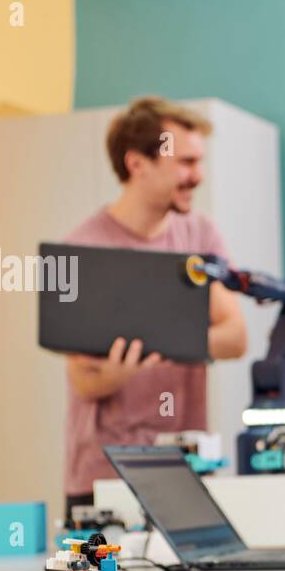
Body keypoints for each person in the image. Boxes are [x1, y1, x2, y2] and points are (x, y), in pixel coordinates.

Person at [61, 96, 248, 523]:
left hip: (186, 470)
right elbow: (84, 380)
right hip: (102, 476)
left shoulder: (200, 235)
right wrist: (122, 371)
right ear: (137, 163)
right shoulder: (83, 249)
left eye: (198, 162)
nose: (197, 176)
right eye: (185, 162)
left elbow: (234, 337)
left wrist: (156, 341)